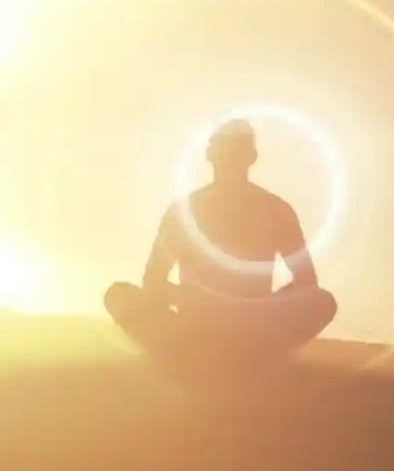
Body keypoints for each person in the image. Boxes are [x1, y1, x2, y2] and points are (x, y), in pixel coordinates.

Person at [105, 119, 337, 359]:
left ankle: (190, 353)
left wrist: (244, 308)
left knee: (321, 301)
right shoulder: (271, 208)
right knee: (119, 294)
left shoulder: (189, 210)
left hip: (230, 328)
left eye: (232, 148)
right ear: (252, 157)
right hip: (217, 328)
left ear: (210, 154)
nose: (228, 156)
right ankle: (254, 354)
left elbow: (307, 283)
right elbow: (307, 283)